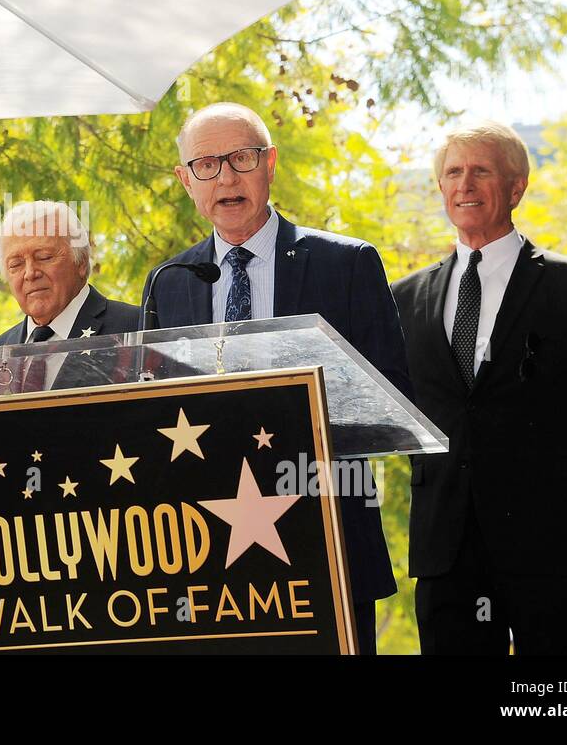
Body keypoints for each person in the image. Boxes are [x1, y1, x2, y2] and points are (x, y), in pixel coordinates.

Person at [142, 103, 409, 655]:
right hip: (209, 551)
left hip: (324, 534)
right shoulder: (169, 282)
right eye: (206, 165)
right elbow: (153, 413)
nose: (227, 177)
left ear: (271, 163)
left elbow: (390, 395)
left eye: (241, 158)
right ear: (185, 180)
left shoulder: (347, 264)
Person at [391, 121, 567, 655]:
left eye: (481, 170)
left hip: (554, 548)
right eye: (453, 172)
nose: (465, 184)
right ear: (440, 188)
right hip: (447, 550)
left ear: (516, 187)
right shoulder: (403, 298)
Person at [0, 200, 137, 394]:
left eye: (44, 257)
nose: (30, 273)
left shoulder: (137, 329)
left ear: (81, 261)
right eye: (16, 264)